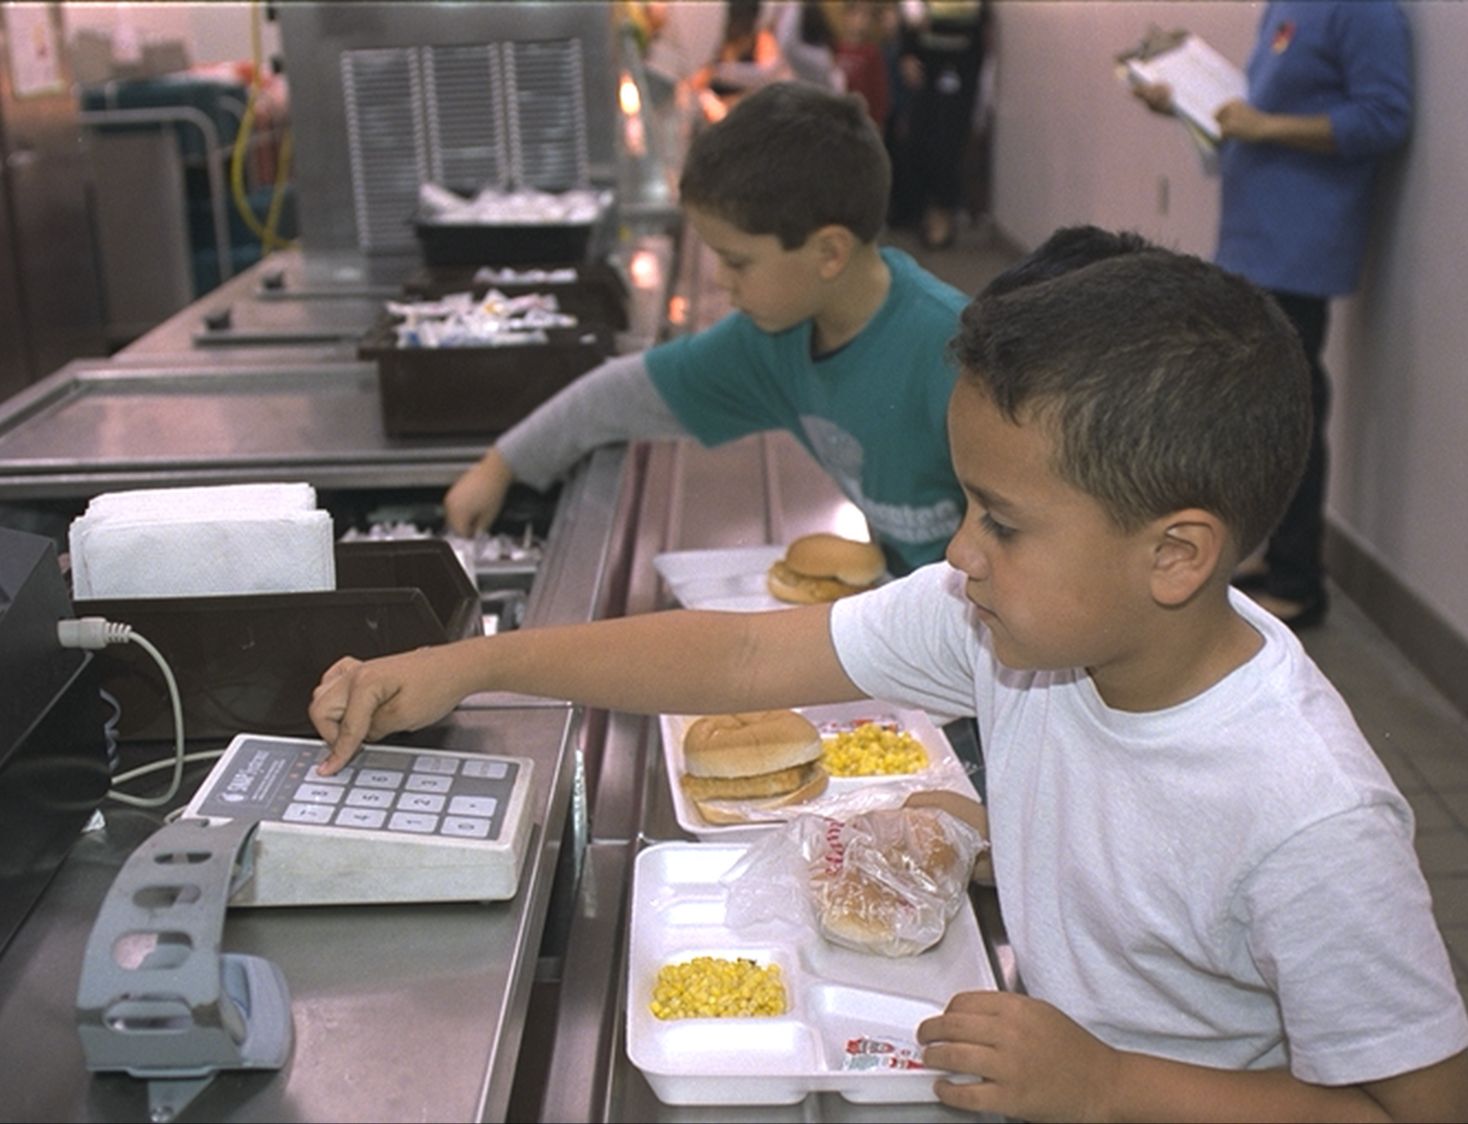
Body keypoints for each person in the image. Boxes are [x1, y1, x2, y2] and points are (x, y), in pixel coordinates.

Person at [311, 228, 1468, 1121]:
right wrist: (471, 664)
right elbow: (746, 647)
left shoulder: (1308, 813)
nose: (958, 552)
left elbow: (1416, 1107)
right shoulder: (1013, 624)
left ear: (1174, 553)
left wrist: (1114, 1084)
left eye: (1002, 522)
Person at [444, 80, 970, 577]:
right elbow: (624, 393)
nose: (721, 280)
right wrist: (502, 463)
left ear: (829, 252)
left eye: (738, 262)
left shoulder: (953, 353)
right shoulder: (774, 339)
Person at [1132, 0, 1413, 630]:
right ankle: (1278, 554)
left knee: (1293, 404)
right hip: (1253, 234)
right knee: (1261, 404)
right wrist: (1189, 102)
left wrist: (1265, 128)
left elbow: (1383, 118)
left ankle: (1298, 579)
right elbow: (1255, 107)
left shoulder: (1366, 12)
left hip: (1301, 241)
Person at [885, 0, 989, 249]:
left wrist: (929, 19)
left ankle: (943, 212)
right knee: (917, 140)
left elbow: (974, 25)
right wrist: (906, 55)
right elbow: (909, 24)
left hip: (960, 73)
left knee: (946, 145)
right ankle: (921, 210)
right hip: (925, 72)